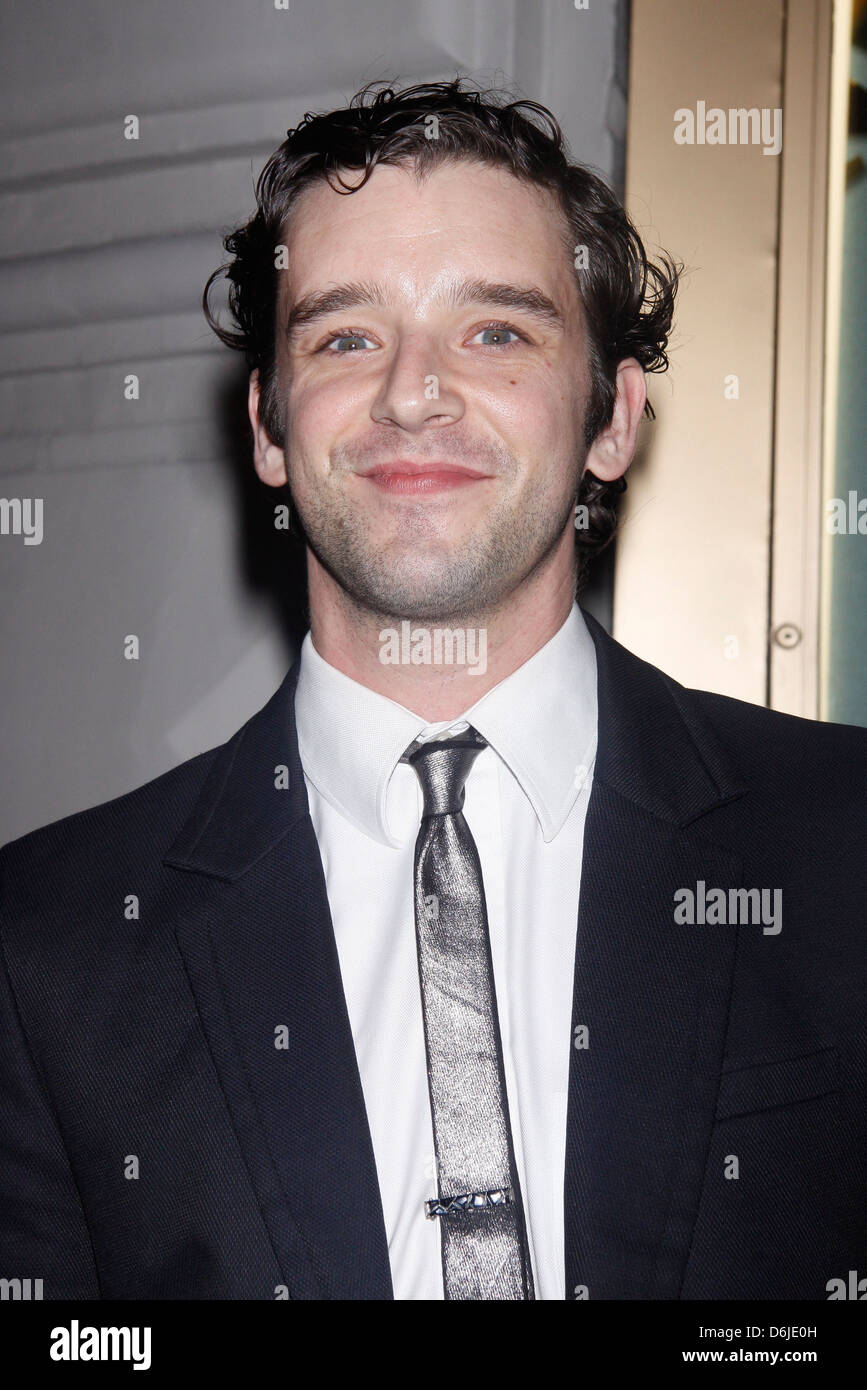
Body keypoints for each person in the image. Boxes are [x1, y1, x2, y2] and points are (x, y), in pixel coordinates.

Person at [1, 79, 864, 1302]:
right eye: (345, 336)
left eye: (497, 331)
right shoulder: (45, 951)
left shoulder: (844, 846)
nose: (415, 391)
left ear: (611, 418)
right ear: (267, 424)